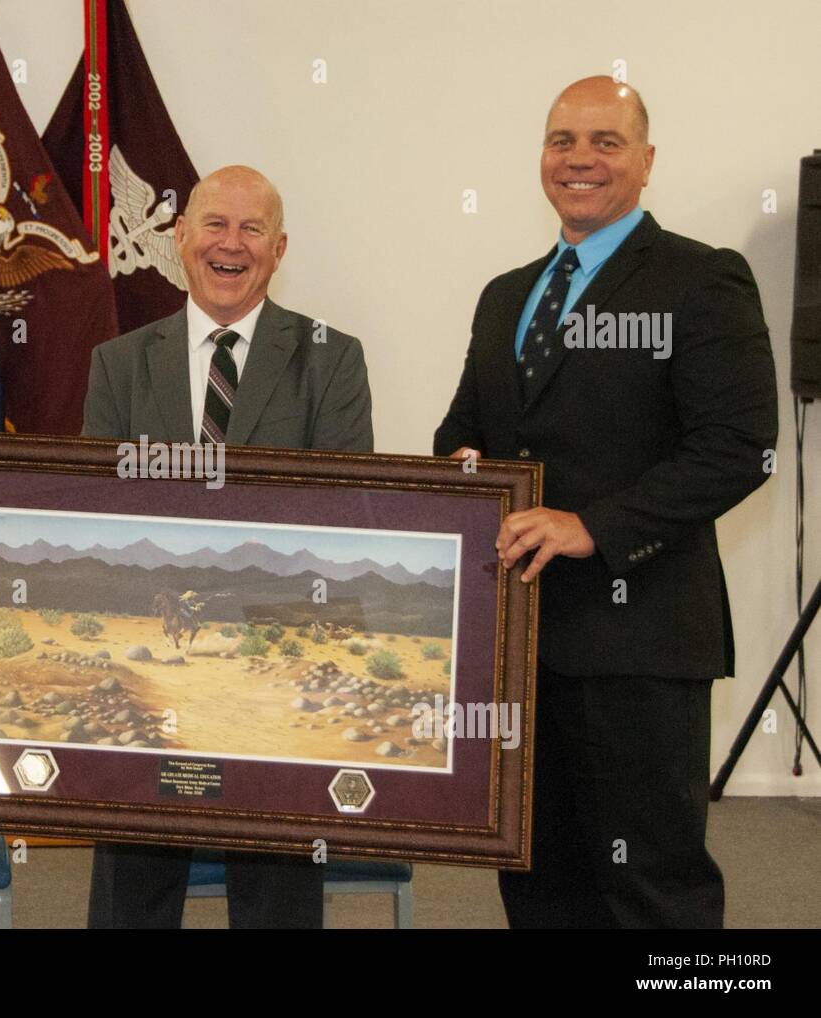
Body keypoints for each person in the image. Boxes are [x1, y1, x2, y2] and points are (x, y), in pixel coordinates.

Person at [434, 77, 777, 928]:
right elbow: (462, 433)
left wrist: (596, 527)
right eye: (561, 141)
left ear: (647, 160)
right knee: (539, 883)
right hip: (516, 646)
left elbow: (740, 448)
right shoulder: (505, 295)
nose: (579, 159)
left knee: (653, 891)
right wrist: (461, 470)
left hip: (641, 642)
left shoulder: (703, 280)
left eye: (605, 141)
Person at [82, 164, 373, 928]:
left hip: (273, 668)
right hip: (150, 667)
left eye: (252, 230)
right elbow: (100, 523)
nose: (230, 245)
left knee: (276, 890)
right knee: (132, 883)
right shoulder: (118, 363)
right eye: (214, 224)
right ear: (181, 237)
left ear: (279, 250)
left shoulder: (332, 358)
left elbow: (341, 523)